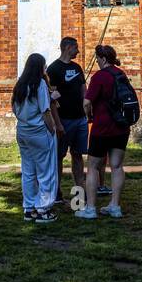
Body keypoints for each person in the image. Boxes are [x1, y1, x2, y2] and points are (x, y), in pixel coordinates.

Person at [77, 44, 128, 220]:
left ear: (103, 59)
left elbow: (86, 102)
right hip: (121, 128)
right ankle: (115, 206)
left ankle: (90, 209)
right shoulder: (121, 74)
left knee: (92, 167)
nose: (97, 62)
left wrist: (89, 116)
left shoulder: (99, 76)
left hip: (102, 128)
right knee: (117, 166)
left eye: (98, 59)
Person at [46, 37, 98, 203]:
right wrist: (57, 123)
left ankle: (79, 193)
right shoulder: (54, 69)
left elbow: (84, 91)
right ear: (68, 47)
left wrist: (88, 110)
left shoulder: (77, 68)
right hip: (64, 120)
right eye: (76, 48)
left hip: (80, 119)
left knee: (78, 155)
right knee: (59, 157)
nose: (78, 51)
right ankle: (57, 193)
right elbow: (51, 98)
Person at [13, 53, 59, 223]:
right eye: (44, 66)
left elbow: (14, 108)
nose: (45, 69)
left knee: (28, 171)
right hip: (39, 131)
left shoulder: (20, 84)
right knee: (46, 171)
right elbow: (45, 110)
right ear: (39, 67)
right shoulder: (39, 84)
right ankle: (43, 209)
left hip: (22, 131)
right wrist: (52, 128)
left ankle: (29, 207)